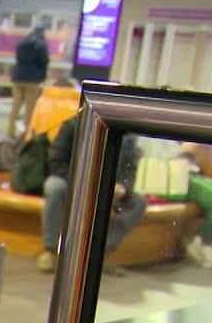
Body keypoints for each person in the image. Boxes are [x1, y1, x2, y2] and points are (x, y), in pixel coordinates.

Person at [37, 115, 145, 275]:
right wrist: (86, 181)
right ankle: (51, 250)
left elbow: (130, 170)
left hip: (106, 188)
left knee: (137, 203)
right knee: (54, 187)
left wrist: (123, 187)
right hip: (73, 183)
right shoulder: (73, 125)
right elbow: (56, 163)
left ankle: (98, 254)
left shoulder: (125, 134)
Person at [9, 27, 50, 139]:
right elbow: (44, 61)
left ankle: (10, 133)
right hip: (33, 80)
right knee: (30, 110)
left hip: (18, 78)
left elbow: (18, 58)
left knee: (15, 108)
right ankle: (27, 135)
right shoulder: (41, 45)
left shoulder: (21, 43)